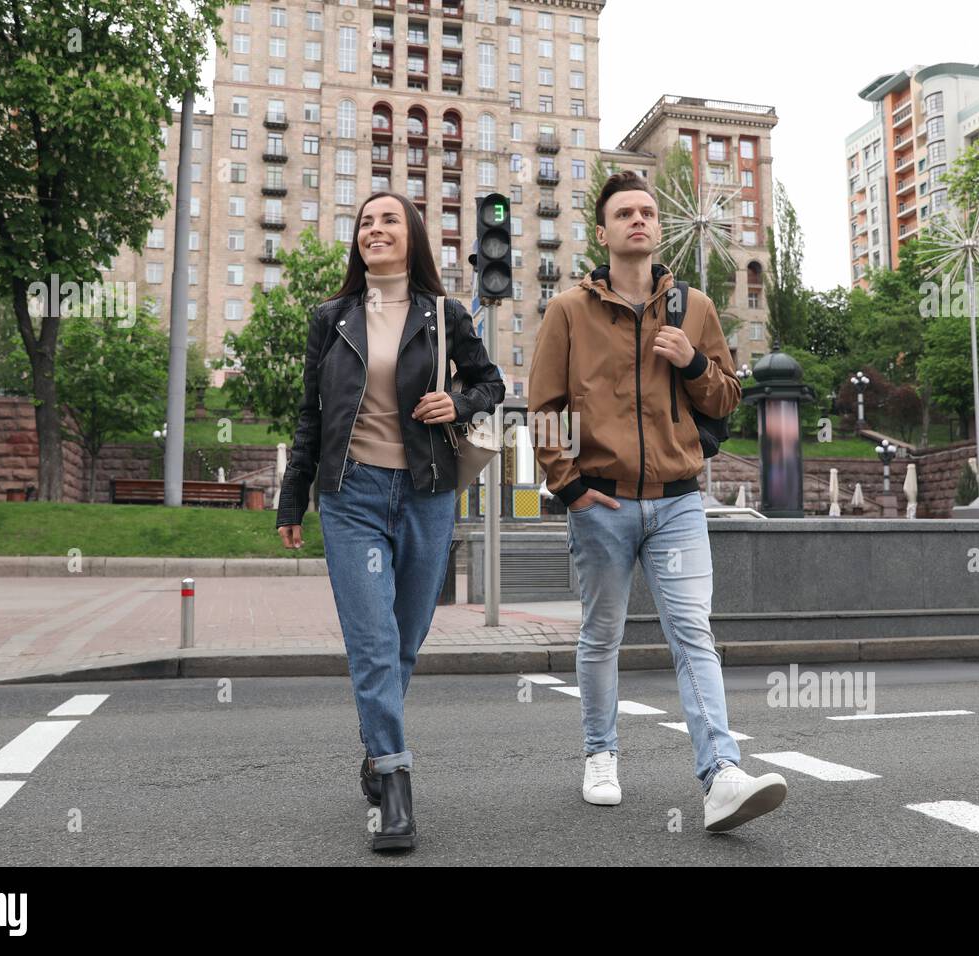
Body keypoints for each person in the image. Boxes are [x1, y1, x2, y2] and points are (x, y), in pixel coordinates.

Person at [528, 170, 788, 832]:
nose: (638, 220)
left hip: (677, 505)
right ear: (604, 232)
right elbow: (545, 410)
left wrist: (693, 364)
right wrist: (571, 486)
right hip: (603, 506)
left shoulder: (694, 310)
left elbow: (730, 399)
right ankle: (601, 754)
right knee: (602, 635)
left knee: (694, 634)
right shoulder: (567, 313)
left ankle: (722, 774)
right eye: (625, 213)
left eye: (647, 211)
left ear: (657, 227)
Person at [276, 191, 505, 852]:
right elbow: (311, 414)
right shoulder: (333, 317)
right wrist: (295, 498)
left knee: (404, 641)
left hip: (428, 492)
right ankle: (397, 788)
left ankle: (375, 746)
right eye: (364, 222)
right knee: (374, 640)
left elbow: (490, 385)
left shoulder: (444, 313)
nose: (374, 229)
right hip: (352, 495)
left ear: (412, 237)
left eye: (387, 220)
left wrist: (454, 403)